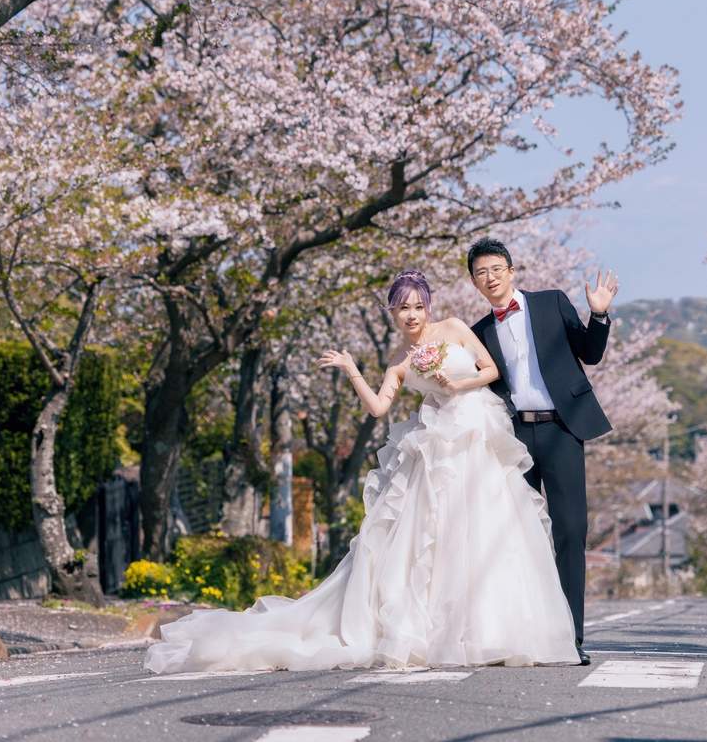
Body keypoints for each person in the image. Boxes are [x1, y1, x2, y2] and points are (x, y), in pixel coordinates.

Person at [143, 269, 580, 673]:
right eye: (402, 308)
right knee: (436, 536)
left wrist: (456, 385)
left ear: (427, 306)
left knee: (490, 531)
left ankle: (496, 629)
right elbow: (377, 408)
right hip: (437, 445)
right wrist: (353, 370)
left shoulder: (454, 329)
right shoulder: (400, 364)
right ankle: (445, 632)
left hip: (477, 435)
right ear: (392, 313)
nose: (411, 315)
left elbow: (491, 369)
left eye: (417, 306)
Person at [467, 237, 617, 665]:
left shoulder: (551, 303)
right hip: (514, 438)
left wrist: (599, 313)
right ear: (475, 282)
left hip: (562, 430)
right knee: (517, 537)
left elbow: (590, 353)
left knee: (571, 530)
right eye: (481, 273)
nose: (490, 278)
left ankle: (571, 638)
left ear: (512, 270)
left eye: (497, 268)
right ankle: (524, 634)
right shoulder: (478, 333)